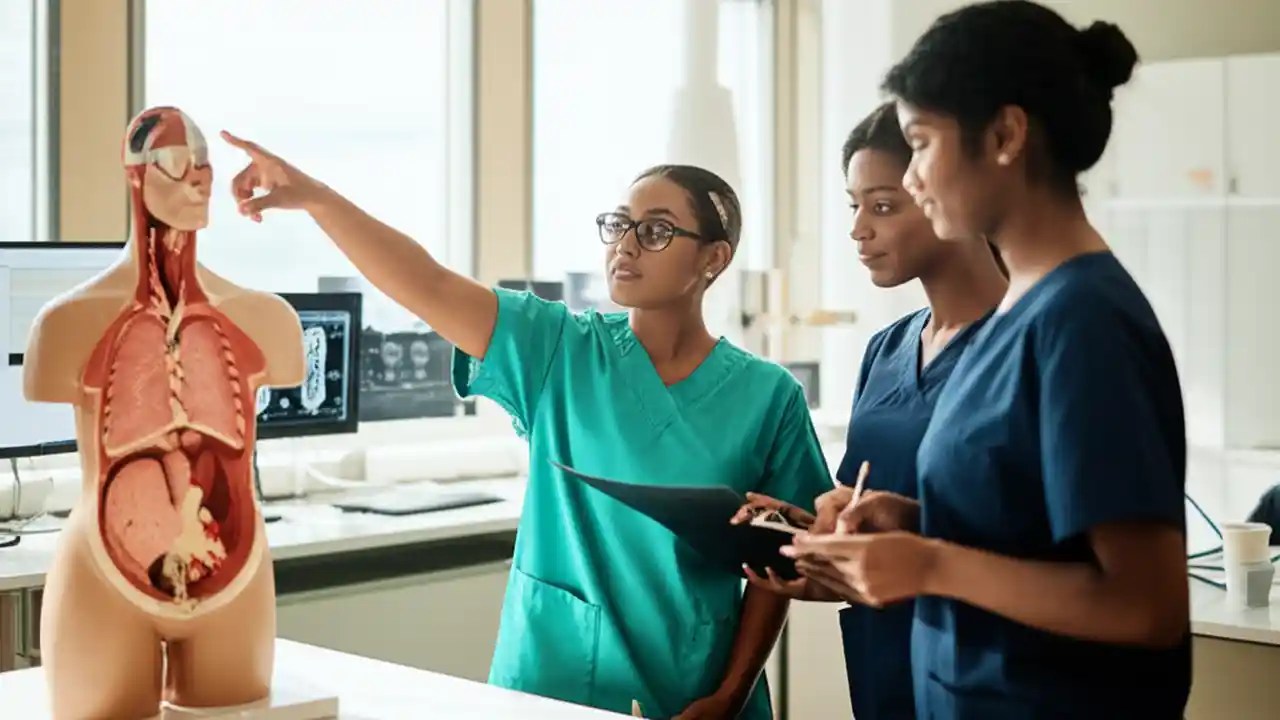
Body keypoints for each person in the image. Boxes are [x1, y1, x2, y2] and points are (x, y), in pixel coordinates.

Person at [218, 132, 834, 719]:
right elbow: (427, 282)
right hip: (552, 678)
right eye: (619, 225)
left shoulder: (767, 397)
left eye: (655, 231)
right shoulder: (556, 349)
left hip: (695, 689)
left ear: (713, 258)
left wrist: (732, 692)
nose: (625, 246)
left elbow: (777, 566)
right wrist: (316, 198)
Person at [783, 2, 1192, 717]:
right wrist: (911, 522)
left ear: (1005, 135)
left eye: (921, 144)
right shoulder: (1016, 319)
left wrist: (929, 562)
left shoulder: (1084, 321)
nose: (913, 180)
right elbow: (1028, 536)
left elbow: (1144, 605)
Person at [729, 101, 1006, 719]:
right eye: (853, 206)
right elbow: (871, 524)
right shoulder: (886, 350)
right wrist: (809, 544)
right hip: (887, 674)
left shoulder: (1026, 348)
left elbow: (1036, 547)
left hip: (984, 675)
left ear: (946, 191)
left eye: (881, 206)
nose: (858, 230)